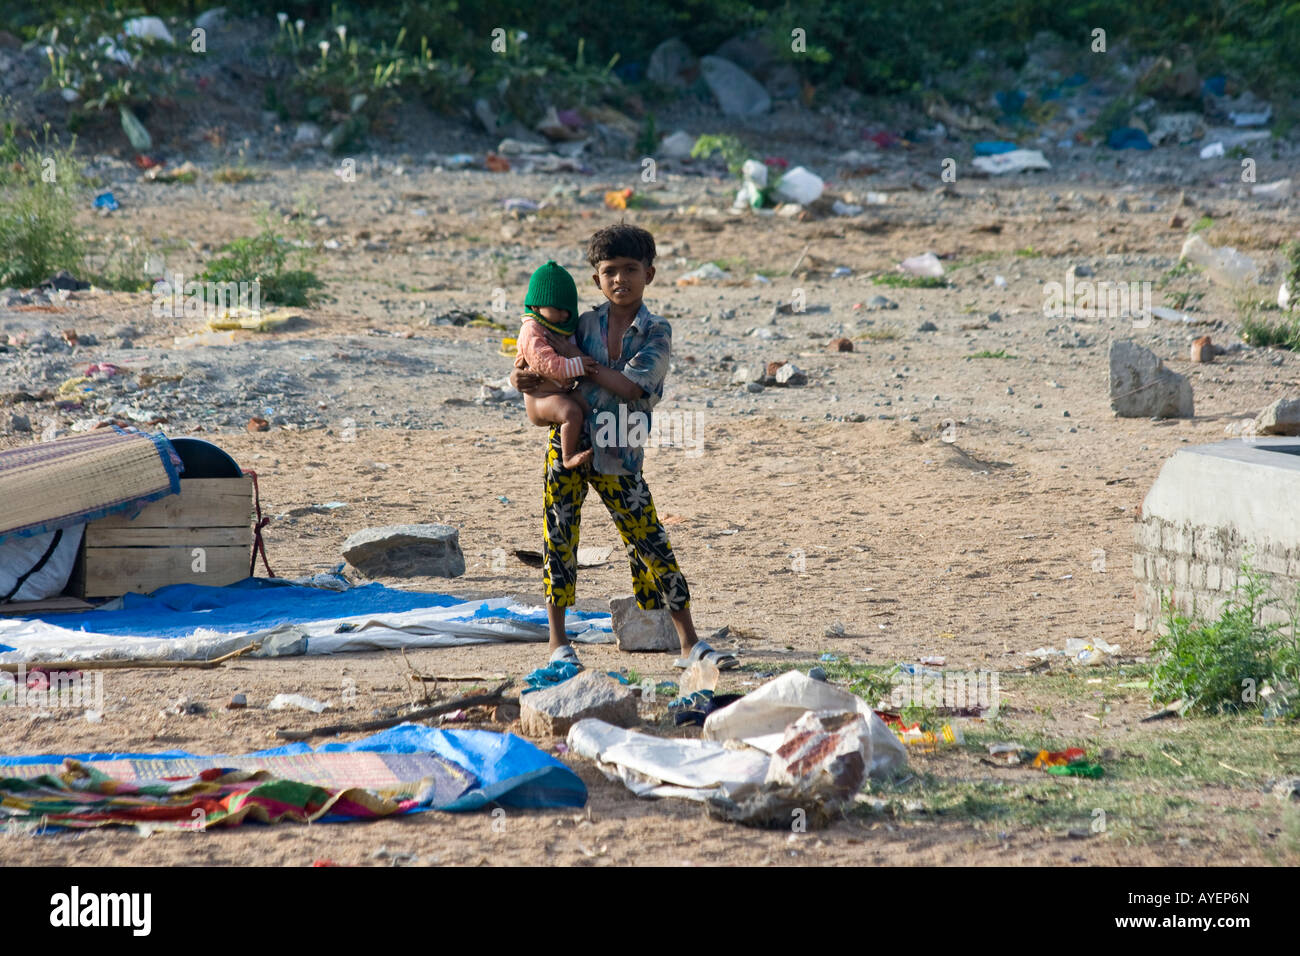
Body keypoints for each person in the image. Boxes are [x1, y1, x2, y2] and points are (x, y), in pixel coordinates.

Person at [511, 223, 737, 674]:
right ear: (596, 280)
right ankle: (559, 643)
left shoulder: (656, 331)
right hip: (568, 445)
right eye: (610, 271)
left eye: (630, 269)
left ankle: (688, 642)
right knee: (559, 538)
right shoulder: (578, 325)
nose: (620, 279)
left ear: (649, 274)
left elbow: (633, 387)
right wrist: (524, 381)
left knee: (649, 542)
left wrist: (578, 370)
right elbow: (537, 395)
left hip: (622, 446)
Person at [515, 261, 592, 469]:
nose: (564, 315)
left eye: (568, 310)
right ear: (536, 306)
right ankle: (567, 457)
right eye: (558, 309)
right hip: (540, 399)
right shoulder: (532, 329)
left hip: (558, 392)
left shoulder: (559, 327)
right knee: (571, 413)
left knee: (582, 407)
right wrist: (578, 365)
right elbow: (546, 364)